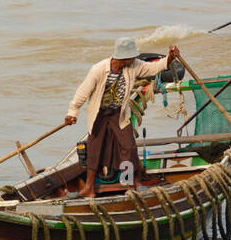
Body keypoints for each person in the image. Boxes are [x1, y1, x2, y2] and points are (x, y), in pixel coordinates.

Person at [64, 39, 181, 197]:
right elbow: (82, 92)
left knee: (129, 146)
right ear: (122, 57)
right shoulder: (98, 69)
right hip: (99, 114)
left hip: (119, 114)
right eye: (131, 57)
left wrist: (169, 58)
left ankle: (135, 183)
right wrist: (72, 112)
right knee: (94, 147)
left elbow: (152, 68)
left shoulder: (133, 66)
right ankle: (89, 187)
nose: (134, 59)